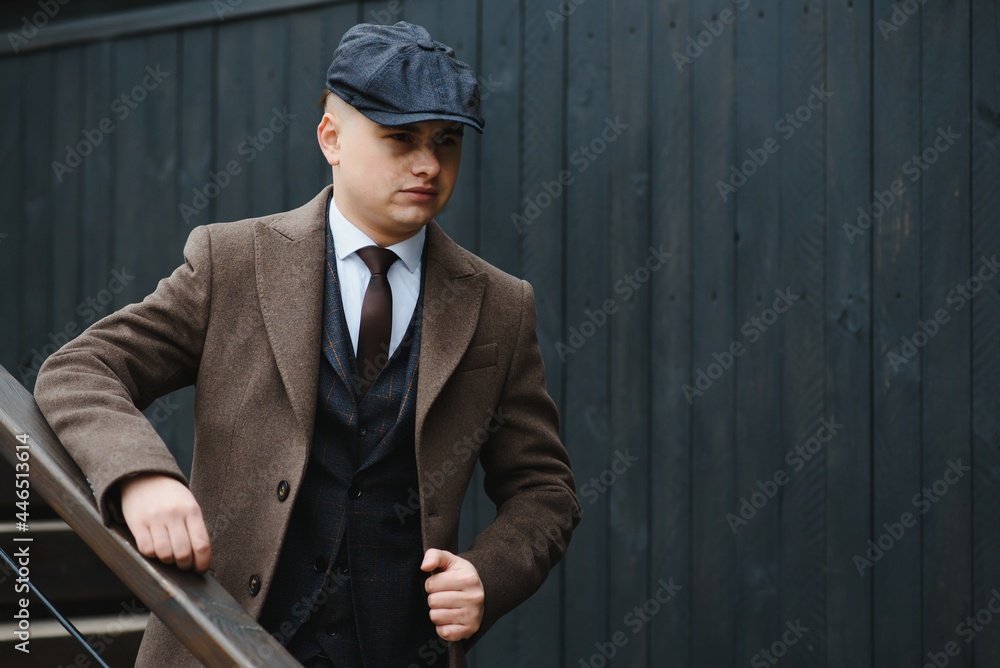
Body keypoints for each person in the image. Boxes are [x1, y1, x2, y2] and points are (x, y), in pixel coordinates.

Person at [34, 20, 580, 668]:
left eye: (447, 141)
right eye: (400, 138)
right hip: (223, 643)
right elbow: (80, 369)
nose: (429, 164)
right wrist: (140, 476)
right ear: (332, 139)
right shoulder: (233, 263)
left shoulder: (498, 305)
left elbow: (546, 490)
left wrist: (488, 578)